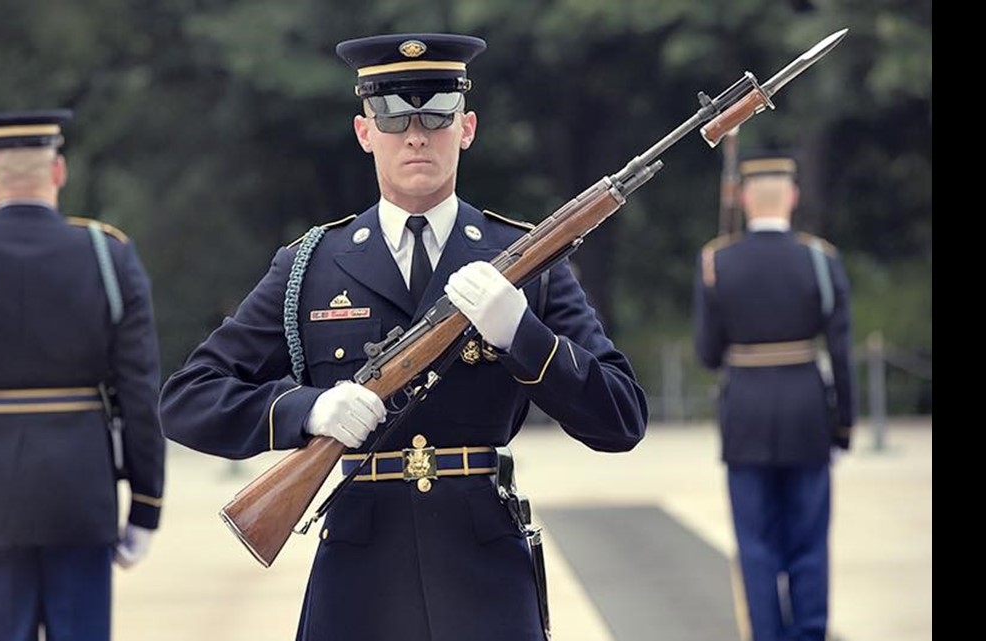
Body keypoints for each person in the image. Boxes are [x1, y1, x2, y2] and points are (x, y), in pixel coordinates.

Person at [158, 32, 648, 641]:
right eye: (392, 115)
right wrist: (308, 410)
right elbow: (188, 398)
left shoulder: (522, 259)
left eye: (436, 115)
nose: (416, 134)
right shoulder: (311, 263)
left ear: (466, 128)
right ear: (365, 133)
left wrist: (522, 334)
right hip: (361, 577)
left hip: (483, 571)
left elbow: (621, 418)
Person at [0, 109, 166, 641]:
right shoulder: (106, 253)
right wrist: (146, 506)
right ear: (58, 172)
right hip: (79, 494)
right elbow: (139, 391)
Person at [691, 150, 857, 641]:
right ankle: (808, 631)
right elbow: (842, 353)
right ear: (793, 197)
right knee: (808, 539)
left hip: (745, 414)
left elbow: (707, 353)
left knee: (756, 542)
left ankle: (766, 632)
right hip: (808, 412)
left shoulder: (716, 261)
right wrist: (844, 423)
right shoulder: (820, 259)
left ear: (743, 199)